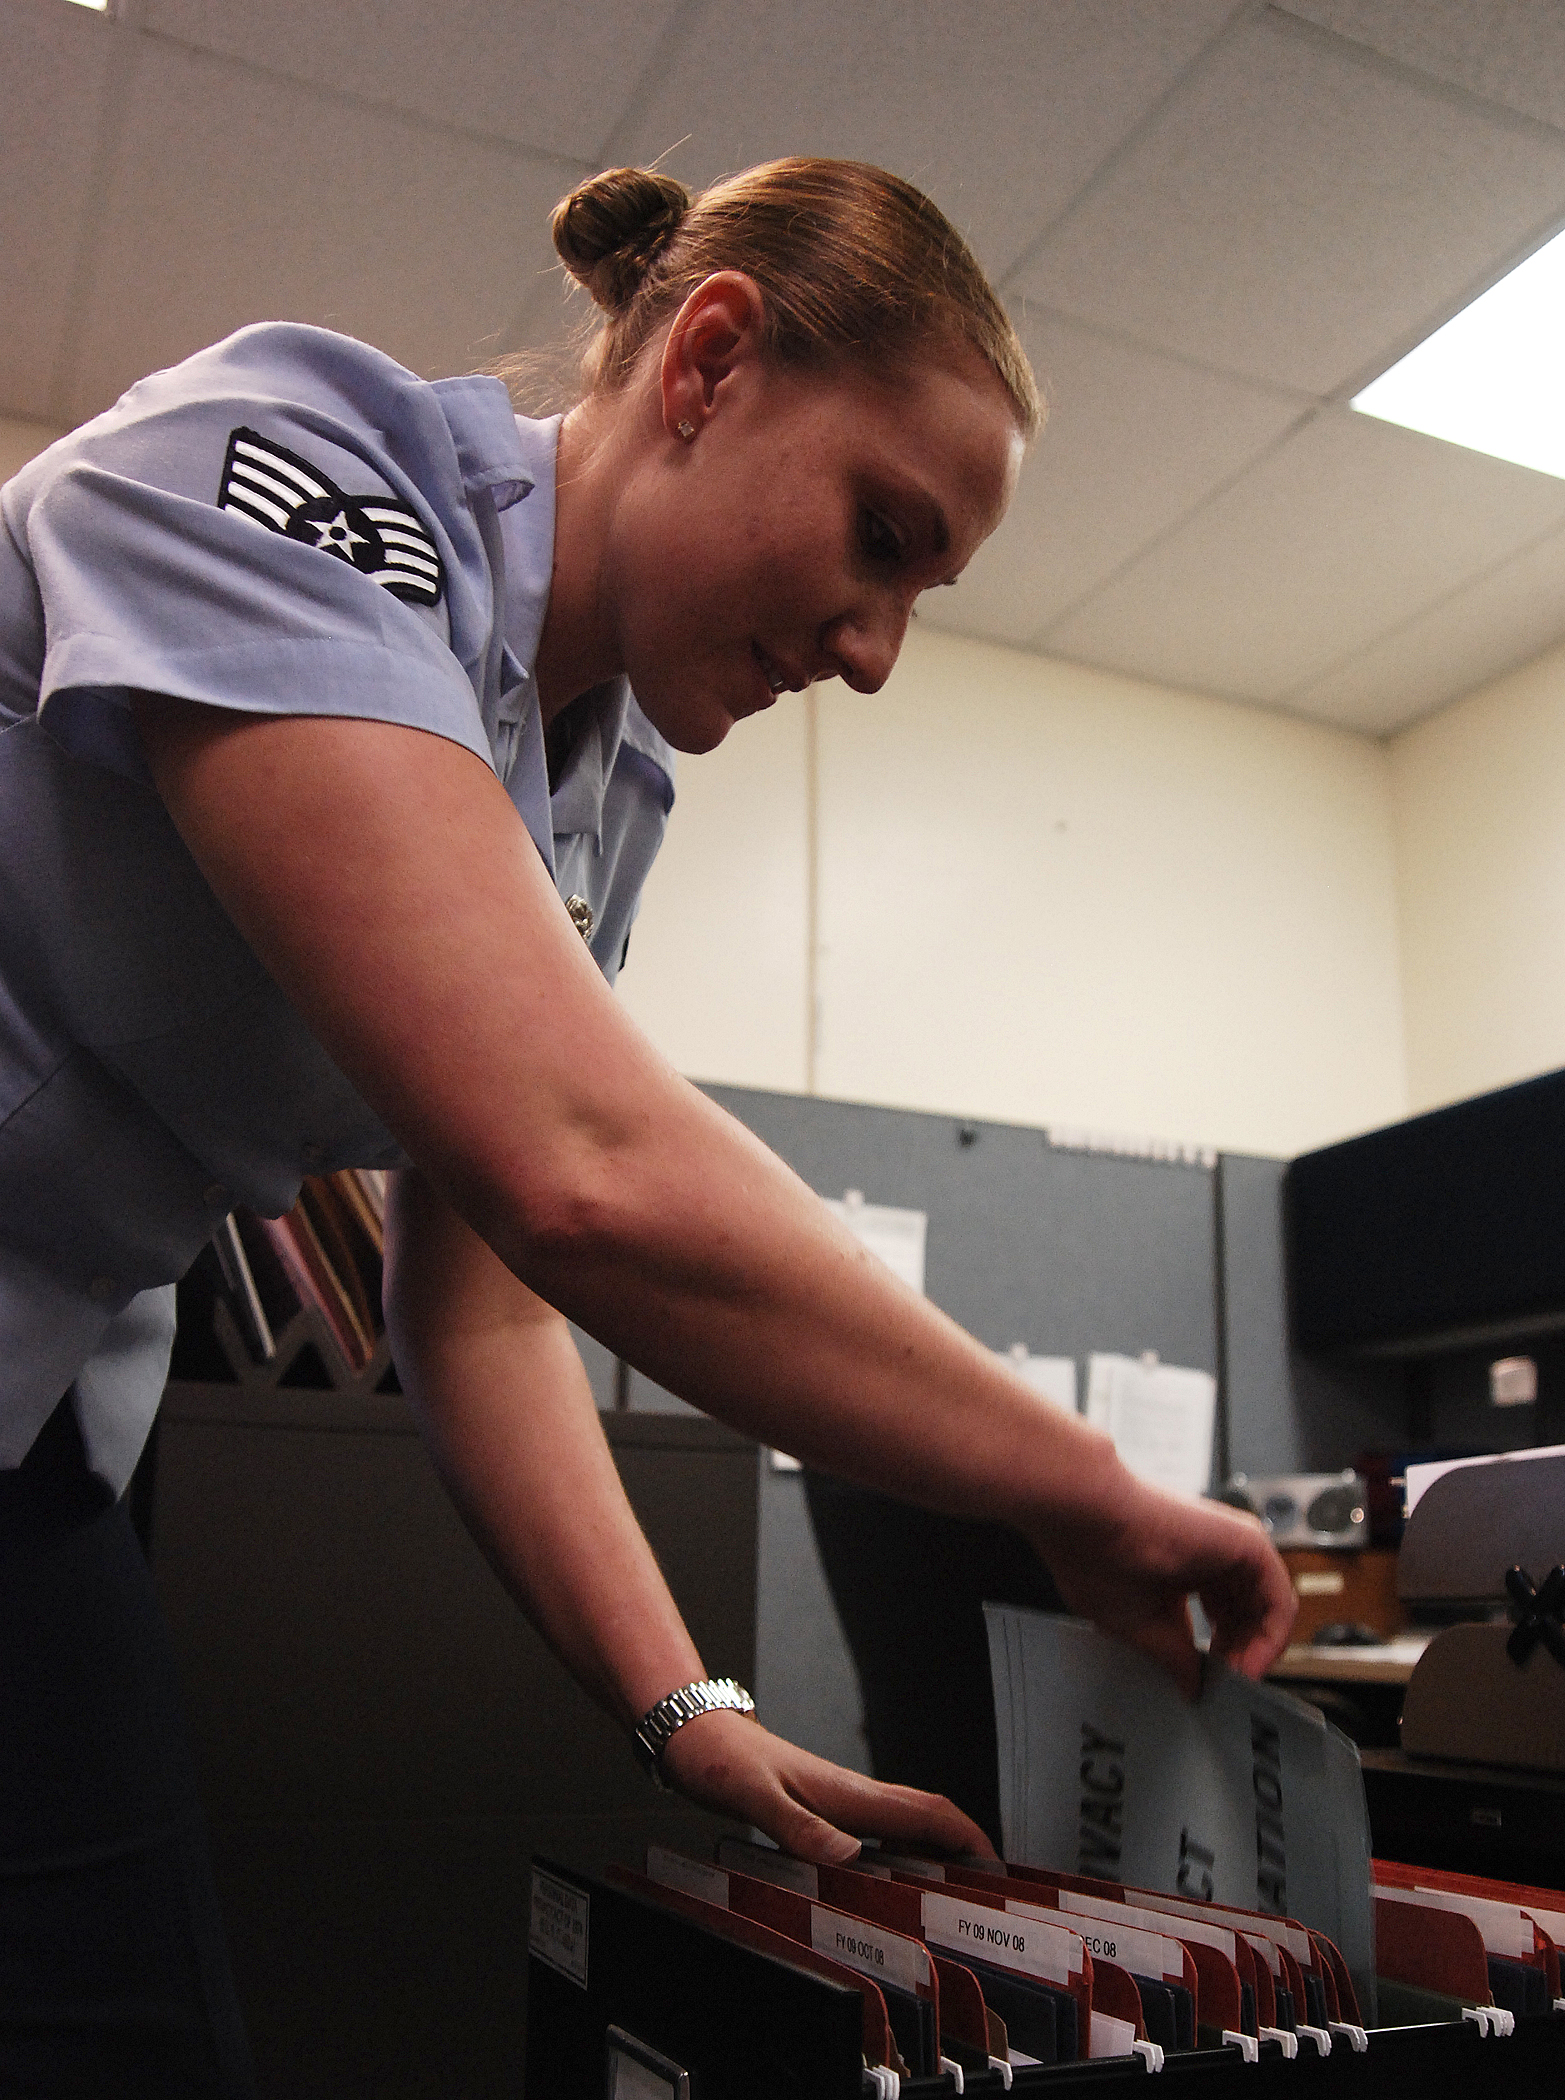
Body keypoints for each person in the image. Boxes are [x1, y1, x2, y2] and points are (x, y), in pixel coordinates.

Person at [0, 158, 1295, 2095]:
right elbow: (577, 1164)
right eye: (882, 537)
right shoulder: (287, 459)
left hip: (39, 1432)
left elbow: (491, 1299)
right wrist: (1070, 1482)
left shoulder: (601, 797)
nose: (873, 651)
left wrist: (685, 1707)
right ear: (706, 363)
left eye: (920, 597)